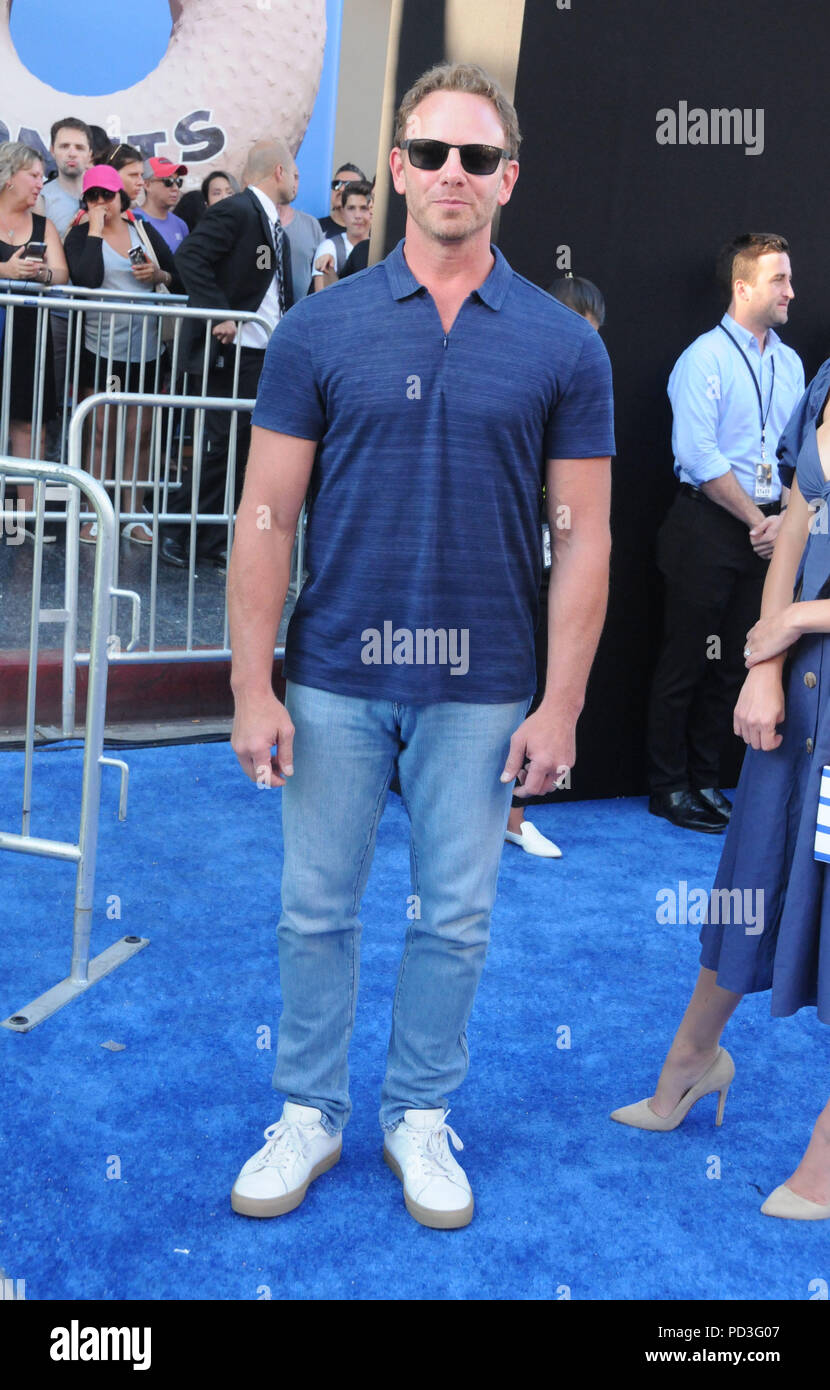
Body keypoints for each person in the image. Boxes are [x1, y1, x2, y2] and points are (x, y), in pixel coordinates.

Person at [226, 61, 614, 1229]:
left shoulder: (563, 346)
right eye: (432, 154)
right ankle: (307, 1110)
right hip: (336, 673)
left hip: (485, 691)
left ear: (507, 179)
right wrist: (252, 684)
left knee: (453, 918)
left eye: (477, 158)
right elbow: (264, 516)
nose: (454, 174)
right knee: (313, 910)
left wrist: (561, 705)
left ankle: (416, 1113)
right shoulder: (319, 326)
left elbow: (585, 535)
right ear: (396, 169)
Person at [611, 360, 830, 1221]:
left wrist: (801, 621)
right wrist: (764, 662)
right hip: (804, 687)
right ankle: (690, 1064)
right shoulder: (823, 384)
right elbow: (800, 520)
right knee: (748, 884)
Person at [646, 234, 805, 832]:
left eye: (789, 279)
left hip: (769, 531)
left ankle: (709, 780)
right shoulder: (703, 359)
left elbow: (799, 455)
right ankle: (668, 787)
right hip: (706, 527)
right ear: (743, 288)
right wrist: (759, 520)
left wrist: (784, 520)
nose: (792, 291)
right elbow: (699, 454)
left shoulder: (790, 363)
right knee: (685, 659)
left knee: (738, 661)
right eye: (779, 281)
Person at [505, 274, 609, 859]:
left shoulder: (585, 393)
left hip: (557, 562)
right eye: (578, 336)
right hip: (511, 564)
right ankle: (507, 813)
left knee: (547, 683)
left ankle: (514, 812)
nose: (586, 354)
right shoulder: (523, 380)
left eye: (595, 340)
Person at [163, 137, 294, 568]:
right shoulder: (237, 210)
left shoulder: (271, 224)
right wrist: (219, 313)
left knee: (241, 450)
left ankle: (210, 540)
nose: (296, 181)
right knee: (224, 447)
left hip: (262, 354)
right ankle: (178, 534)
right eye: (293, 173)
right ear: (278, 172)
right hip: (231, 352)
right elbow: (191, 257)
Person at [64, 166, 181, 544]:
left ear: (122, 196)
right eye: (93, 196)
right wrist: (95, 229)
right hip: (100, 350)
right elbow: (86, 278)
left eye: (108, 195)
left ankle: (132, 513)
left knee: (141, 433)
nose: (101, 203)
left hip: (145, 350)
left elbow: (174, 275)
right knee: (101, 432)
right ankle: (94, 513)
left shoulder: (142, 230)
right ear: (86, 200)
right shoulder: (80, 234)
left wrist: (156, 275)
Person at [0, 141, 69, 539]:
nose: (40, 183)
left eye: (43, 176)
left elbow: (61, 275)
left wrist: (39, 274)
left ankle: (20, 523)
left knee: (30, 426)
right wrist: (6, 268)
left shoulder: (44, 225)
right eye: (34, 175)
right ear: (9, 177)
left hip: (29, 333)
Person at [276, 158, 323, 302]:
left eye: (297, 177)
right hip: (263, 317)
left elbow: (320, 273)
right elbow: (261, 266)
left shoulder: (311, 225)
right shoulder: (259, 222)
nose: (294, 183)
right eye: (291, 176)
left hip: (300, 316)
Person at [312, 180, 372, 290]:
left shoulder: (379, 246)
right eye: (351, 208)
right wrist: (327, 270)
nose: (357, 215)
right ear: (343, 212)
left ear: (372, 210)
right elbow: (321, 299)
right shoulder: (329, 247)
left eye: (364, 208)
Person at [38, 117, 93, 236]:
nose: (72, 154)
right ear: (52, 150)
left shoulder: (106, 195)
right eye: (64, 146)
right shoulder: (40, 198)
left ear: (90, 154)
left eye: (79, 147)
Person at [135, 157, 189, 252]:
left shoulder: (181, 225)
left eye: (178, 182)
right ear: (147, 185)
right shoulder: (133, 221)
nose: (175, 188)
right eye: (168, 181)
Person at [318, 161, 366, 237]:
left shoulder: (374, 234)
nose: (341, 189)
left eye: (350, 185)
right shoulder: (315, 228)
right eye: (336, 184)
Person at [106, 143, 146, 207]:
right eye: (133, 175)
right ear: (111, 175)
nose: (141, 182)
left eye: (141, 175)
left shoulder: (137, 216)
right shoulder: (91, 216)